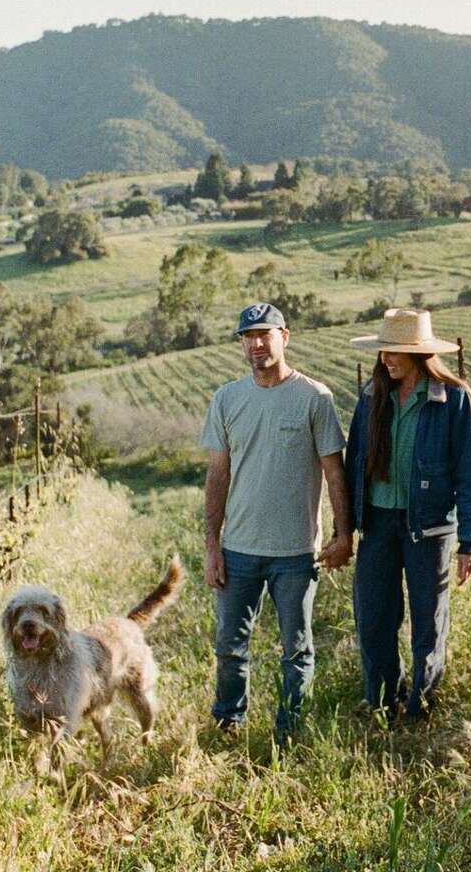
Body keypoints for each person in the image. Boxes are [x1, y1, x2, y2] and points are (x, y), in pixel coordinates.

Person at [201, 302, 353, 741]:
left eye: (265, 334)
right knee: (230, 648)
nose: (256, 344)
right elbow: (218, 475)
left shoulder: (314, 398)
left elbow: (334, 472)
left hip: (296, 553)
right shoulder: (227, 399)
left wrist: (344, 535)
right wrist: (213, 545)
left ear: (285, 337)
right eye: (248, 336)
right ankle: (229, 723)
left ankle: (289, 731)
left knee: (297, 650)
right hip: (239, 550)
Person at [344, 308, 471, 721]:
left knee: (428, 623)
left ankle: (420, 706)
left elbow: (468, 472)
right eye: (385, 349)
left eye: (397, 351)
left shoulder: (452, 399)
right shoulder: (372, 397)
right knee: (373, 619)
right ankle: (383, 702)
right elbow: (355, 464)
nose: (388, 358)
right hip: (378, 525)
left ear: (420, 354)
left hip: (431, 527)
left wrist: (470, 541)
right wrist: (344, 528)